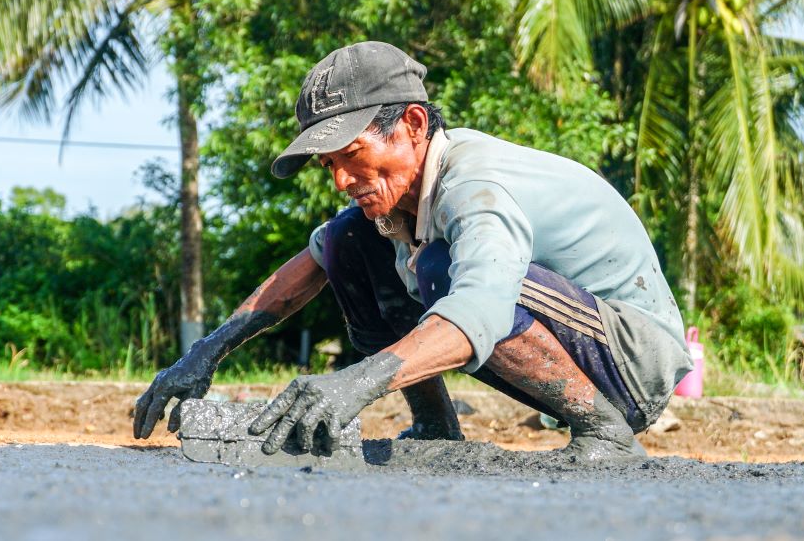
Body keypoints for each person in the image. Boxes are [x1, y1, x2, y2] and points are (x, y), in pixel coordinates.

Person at [133, 41, 692, 461]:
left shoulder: (473, 186)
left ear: (412, 125)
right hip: (572, 338)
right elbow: (307, 270)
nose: (342, 178)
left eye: (352, 155)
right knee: (350, 239)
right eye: (330, 166)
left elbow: (480, 308)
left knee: (443, 268)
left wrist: (355, 380)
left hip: (632, 359)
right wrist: (203, 353)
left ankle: (605, 433)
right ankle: (434, 424)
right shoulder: (400, 202)